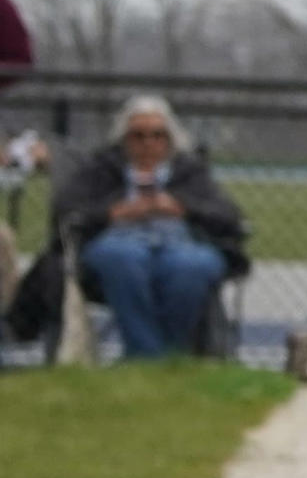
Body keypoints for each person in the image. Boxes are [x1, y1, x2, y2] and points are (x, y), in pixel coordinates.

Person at [51, 97, 250, 359]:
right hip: (118, 241)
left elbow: (228, 215)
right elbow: (67, 211)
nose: (148, 144)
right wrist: (113, 213)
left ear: (170, 139)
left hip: (182, 243)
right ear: (124, 139)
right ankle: (148, 357)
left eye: (158, 136)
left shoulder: (190, 171)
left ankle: (169, 354)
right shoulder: (101, 169)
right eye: (138, 136)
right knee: (124, 259)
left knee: (192, 266)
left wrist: (182, 208)